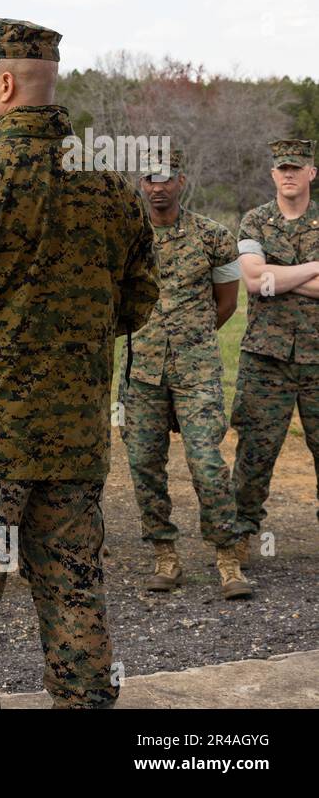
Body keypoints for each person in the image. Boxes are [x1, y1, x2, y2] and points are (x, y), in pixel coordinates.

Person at [0, 17, 157, 709]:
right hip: (73, 441)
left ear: (5, 84)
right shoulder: (111, 190)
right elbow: (136, 305)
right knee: (74, 591)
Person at [119, 150, 249, 599]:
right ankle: (165, 556)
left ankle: (228, 559)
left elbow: (227, 303)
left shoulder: (213, 236)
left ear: (181, 180)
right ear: (141, 184)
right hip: (142, 373)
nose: (157, 187)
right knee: (144, 466)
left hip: (197, 372)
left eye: (165, 178)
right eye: (149, 179)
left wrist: (189, 339)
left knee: (208, 464)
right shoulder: (128, 237)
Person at [232, 138, 319, 555]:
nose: (288, 174)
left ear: (311, 174)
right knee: (255, 451)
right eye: (282, 168)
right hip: (266, 359)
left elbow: (270, 280)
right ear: (272, 174)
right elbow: (254, 281)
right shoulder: (254, 222)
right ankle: (243, 534)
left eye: (296, 167)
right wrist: (315, 267)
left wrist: (279, 274)